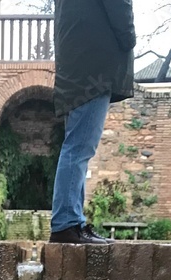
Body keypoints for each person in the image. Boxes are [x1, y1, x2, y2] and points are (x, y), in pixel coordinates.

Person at [50, 0, 136, 244]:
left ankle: (74, 222)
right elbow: (120, 8)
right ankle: (66, 223)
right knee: (79, 148)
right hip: (93, 68)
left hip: (78, 66)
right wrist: (129, 38)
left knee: (77, 147)